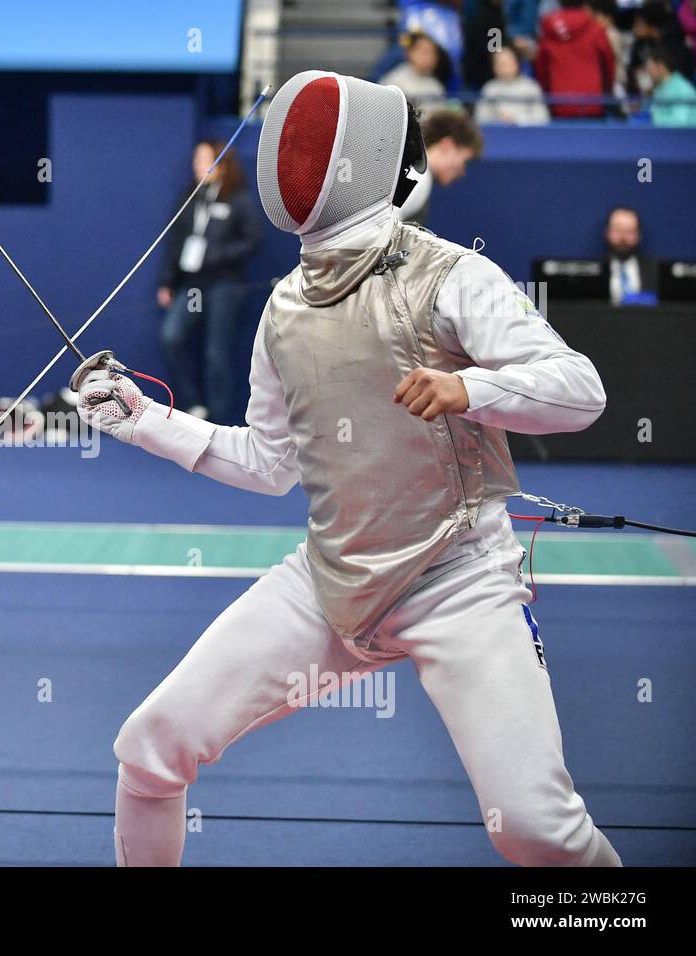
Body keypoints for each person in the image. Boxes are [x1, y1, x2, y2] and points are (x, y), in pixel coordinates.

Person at [73, 71, 619, 868]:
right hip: (331, 582)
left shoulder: (451, 275)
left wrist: (470, 386)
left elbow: (582, 391)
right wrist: (145, 420)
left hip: (459, 578)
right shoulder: (284, 309)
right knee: (149, 751)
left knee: (535, 829)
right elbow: (268, 465)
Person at [157, 140, 263, 422]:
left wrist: (218, 254)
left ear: (221, 163)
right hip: (192, 285)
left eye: (203, 159)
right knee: (172, 336)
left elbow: (252, 241)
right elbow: (175, 240)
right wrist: (167, 281)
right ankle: (193, 404)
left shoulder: (238, 199)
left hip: (224, 283)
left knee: (216, 352)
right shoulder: (189, 197)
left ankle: (219, 418)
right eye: (196, 159)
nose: (197, 165)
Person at [395, 110, 484, 224]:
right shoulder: (419, 176)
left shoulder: (413, 169)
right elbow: (379, 227)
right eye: (465, 162)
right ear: (447, 145)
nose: (462, 172)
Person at [535, 0, 616, 118]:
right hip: (594, 102)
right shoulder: (595, 29)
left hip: (559, 103)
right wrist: (607, 92)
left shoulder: (548, 31)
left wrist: (548, 95)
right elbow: (608, 64)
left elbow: (541, 69)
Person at [477, 44, 552, 123]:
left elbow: (542, 118)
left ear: (517, 63)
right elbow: (481, 118)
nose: (503, 66)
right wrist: (498, 121)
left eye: (507, 62)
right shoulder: (489, 88)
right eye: (499, 62)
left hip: (526, 133)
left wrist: (516, 119)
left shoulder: (531, 87)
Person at [381, 30, 450, 117]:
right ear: (410, 53)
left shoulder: (436, 85)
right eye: (425, 52)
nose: (430, 57)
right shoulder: (394, 82)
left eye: (434, 53)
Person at [601, 206, 659, 303]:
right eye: (617, 230)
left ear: (638, 235)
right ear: (607, 232)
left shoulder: (654, 270)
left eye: (629, 231)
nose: (622, 238)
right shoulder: (595, 269)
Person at [646, 46, 696, 127]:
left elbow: (680, 123)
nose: (648, 70)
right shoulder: (661, 87)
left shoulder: (682, 90)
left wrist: (653, 119)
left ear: (661, 66)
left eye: (650, 66)